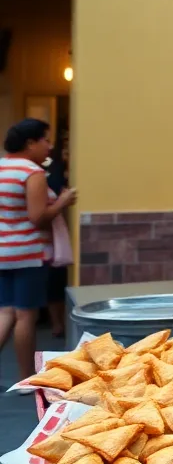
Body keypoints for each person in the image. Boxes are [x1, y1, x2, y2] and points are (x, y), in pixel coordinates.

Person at [0, 119, 75, 382]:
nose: (49, 146)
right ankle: (26, 377)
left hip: (3, 253)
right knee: (25, 317)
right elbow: (38, 217)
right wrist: (63, 202)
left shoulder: (2, 168)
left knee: (6, 313)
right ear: (30, 143)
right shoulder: (31, 173)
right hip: (28, 254)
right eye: (45, 139)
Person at [45, 141, 69, 338]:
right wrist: (63, 201)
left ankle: (57, 322)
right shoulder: (49, 173)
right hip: (49, 236)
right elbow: (40, 214)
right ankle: (56, 323)